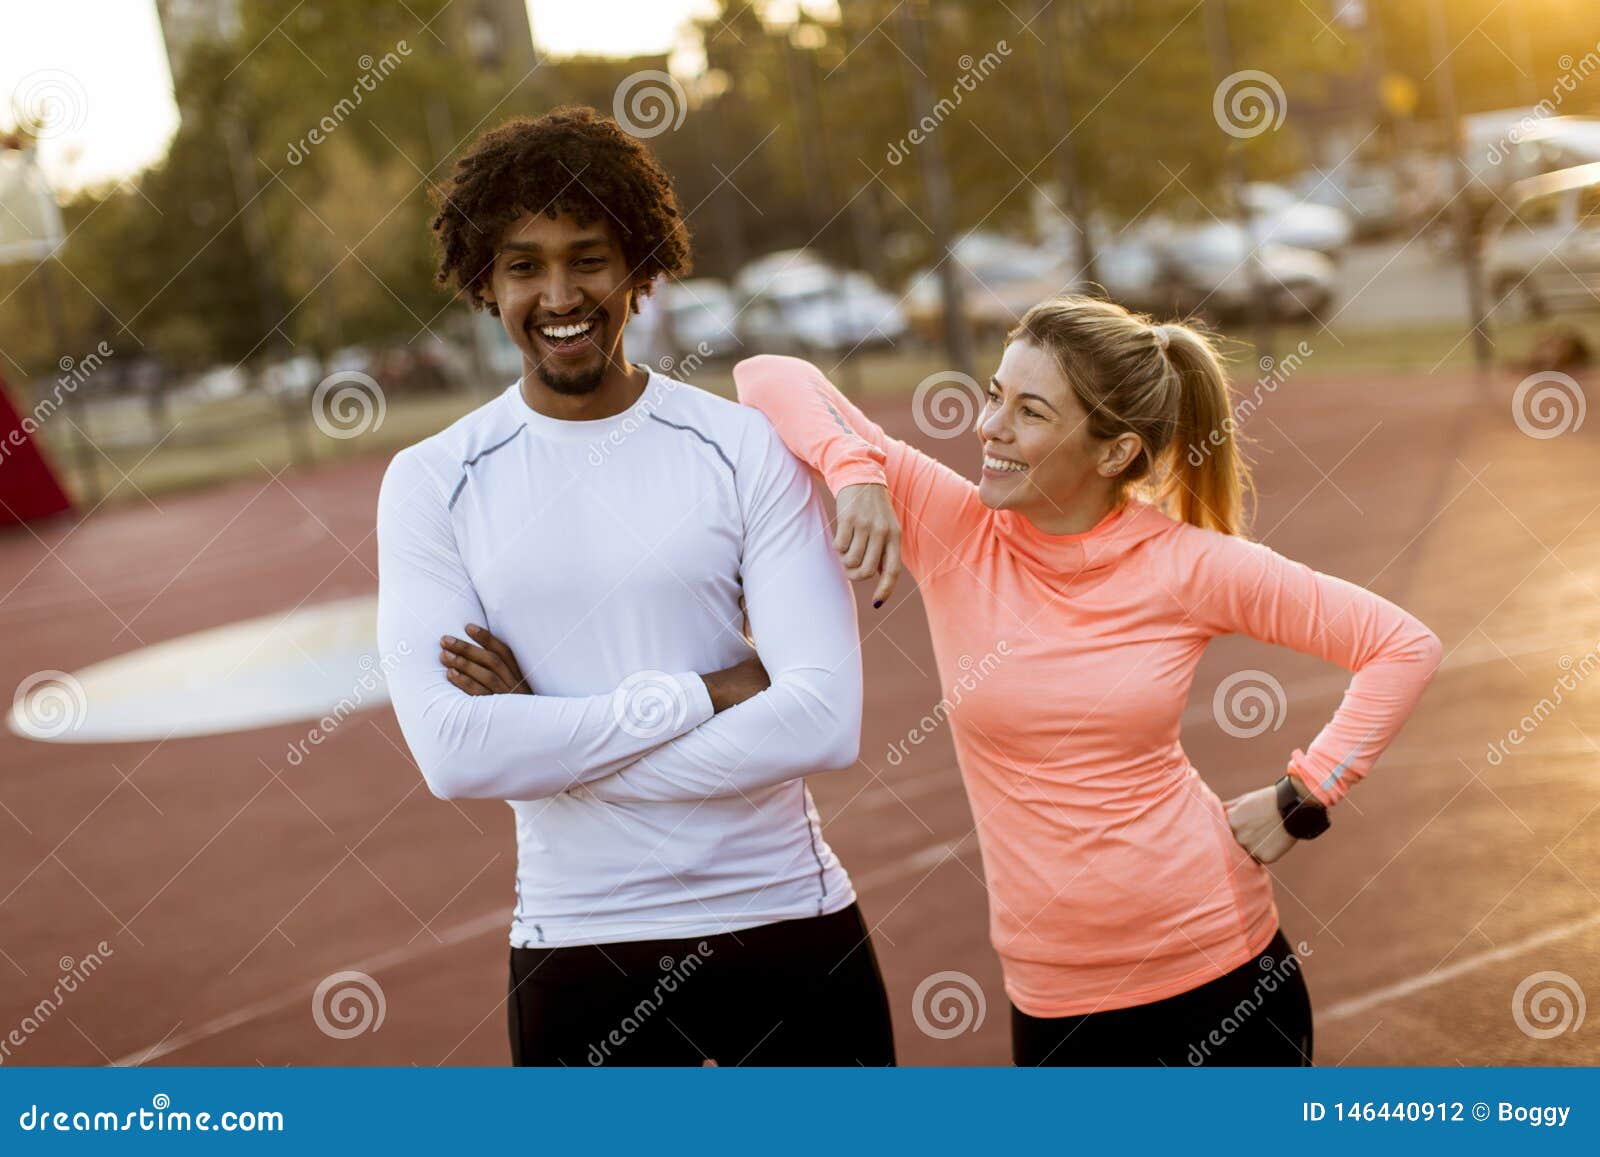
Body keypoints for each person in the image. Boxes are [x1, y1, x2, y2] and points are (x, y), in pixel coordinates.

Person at [731, 295, 1443, 1066]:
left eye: (1030, 411)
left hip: (1219, 969)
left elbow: (1401, 644)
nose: (990, 427)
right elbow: (767, 373)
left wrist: (1305, 795)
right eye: (995, 395)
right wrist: (854, 468)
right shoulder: (958, 528)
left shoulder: (1187, 565)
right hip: (1055, 998)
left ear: (1113, 453)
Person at [375, 107, 894, 1067]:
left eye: (590, 258)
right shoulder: (431, 479)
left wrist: (548, 737)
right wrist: (713, 688)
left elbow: (824, 721)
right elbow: (454, 753)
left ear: (641, 271)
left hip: (785, 918)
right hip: (577, 945)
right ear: (485, 283)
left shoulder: (741, 446)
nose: (560, 293)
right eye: (524, 264)